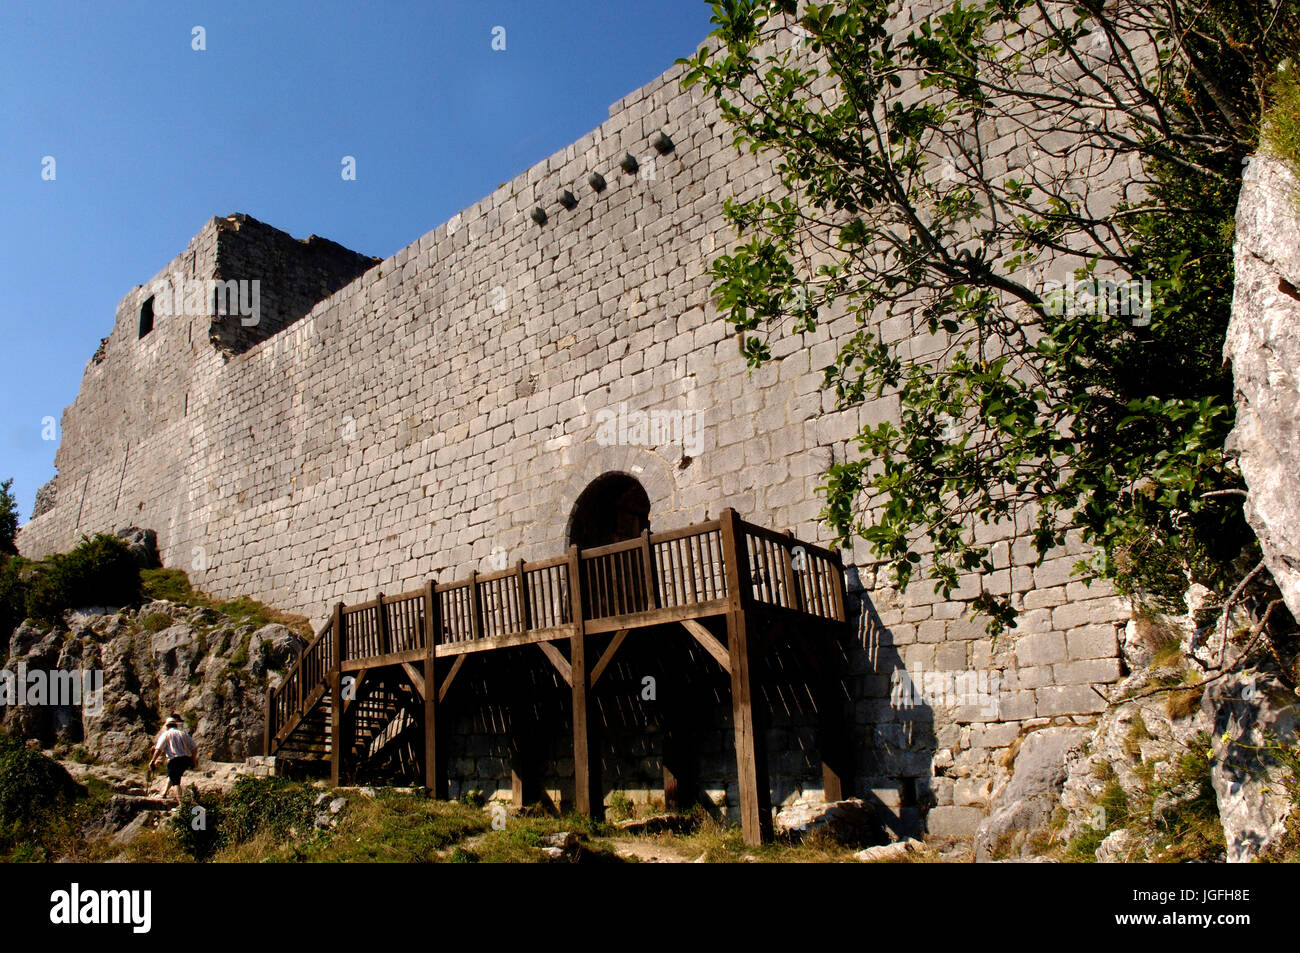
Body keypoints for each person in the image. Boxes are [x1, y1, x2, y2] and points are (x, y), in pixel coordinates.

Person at [149, 714, 198, 806]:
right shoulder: (183, 733)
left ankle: (181, 804)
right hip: (186, 759)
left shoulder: (166, 734)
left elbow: (158, 749)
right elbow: (194, 748)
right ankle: (164, 793)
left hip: (174, 759)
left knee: (175, 781)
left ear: (167, 726)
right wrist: (193, 760)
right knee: (172, 776)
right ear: (175, 725)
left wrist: (153, 761)